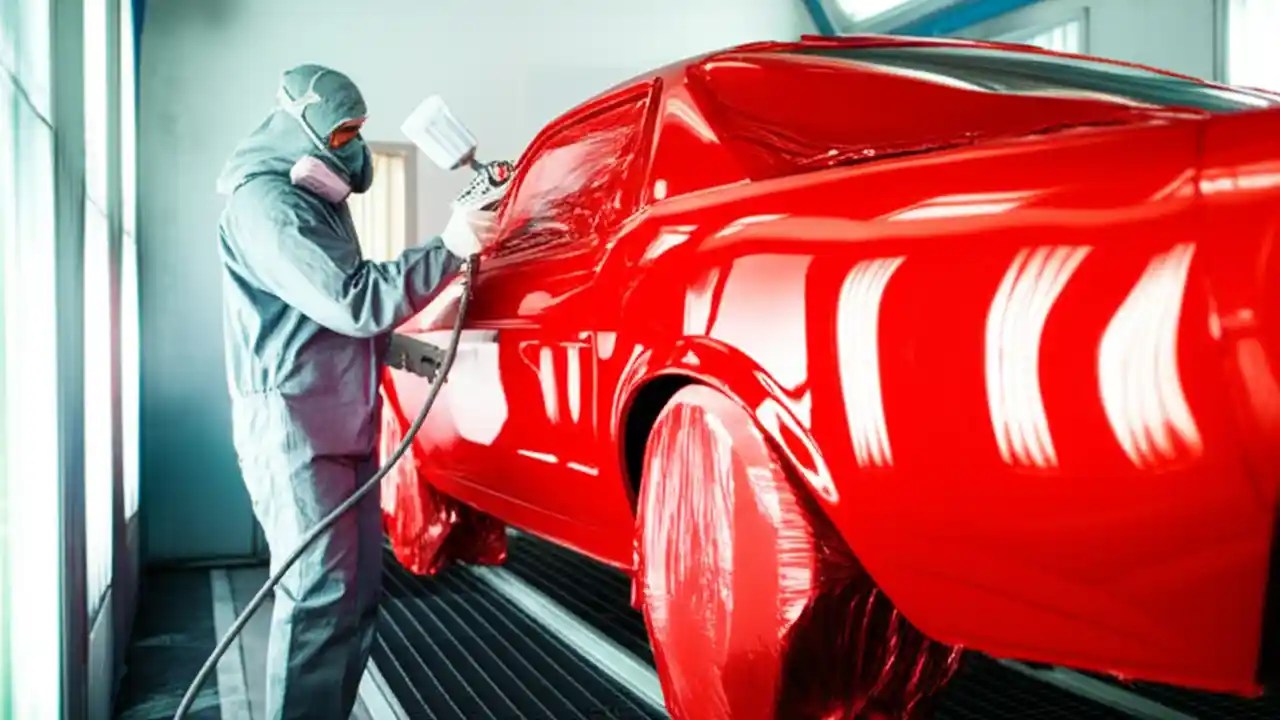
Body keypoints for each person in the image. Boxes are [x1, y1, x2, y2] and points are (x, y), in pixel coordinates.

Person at [214, 64, 497, 719]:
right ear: (299, 126)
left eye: (358, 132)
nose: (351, 148)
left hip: (339, 422)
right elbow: (353, 301)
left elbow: (340, 319)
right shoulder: (269, 206)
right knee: (318, 598)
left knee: (355, 595)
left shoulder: (318, 203)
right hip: (294, 428)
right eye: (341, 132)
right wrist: (450, 243)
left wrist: (422, 354)